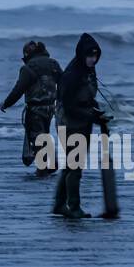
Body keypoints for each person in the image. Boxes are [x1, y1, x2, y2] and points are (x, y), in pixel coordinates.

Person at [53, 33, 109, 219]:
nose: (93, 59)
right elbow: (69, 106)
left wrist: (96, 111)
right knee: (75, 167)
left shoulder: (89, 70)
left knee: (71, 165)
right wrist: (92, 117)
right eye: (89, 55)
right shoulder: (72, 74)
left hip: (82, 121)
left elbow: (87, 98)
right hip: (68, 122)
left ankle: (59, 205)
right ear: (81, 54)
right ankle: (74, 207)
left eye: (95, 56)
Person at [0, 40, 62, 174]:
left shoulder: (29, 68)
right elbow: (64, 83)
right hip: (50, 108)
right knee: (44, 135)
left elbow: (19, 89)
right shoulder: (53, 63)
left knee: (38, 137)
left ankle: (45, 167)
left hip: (35, 109)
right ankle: (49, 164)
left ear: (27, 54)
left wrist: (7, 103)